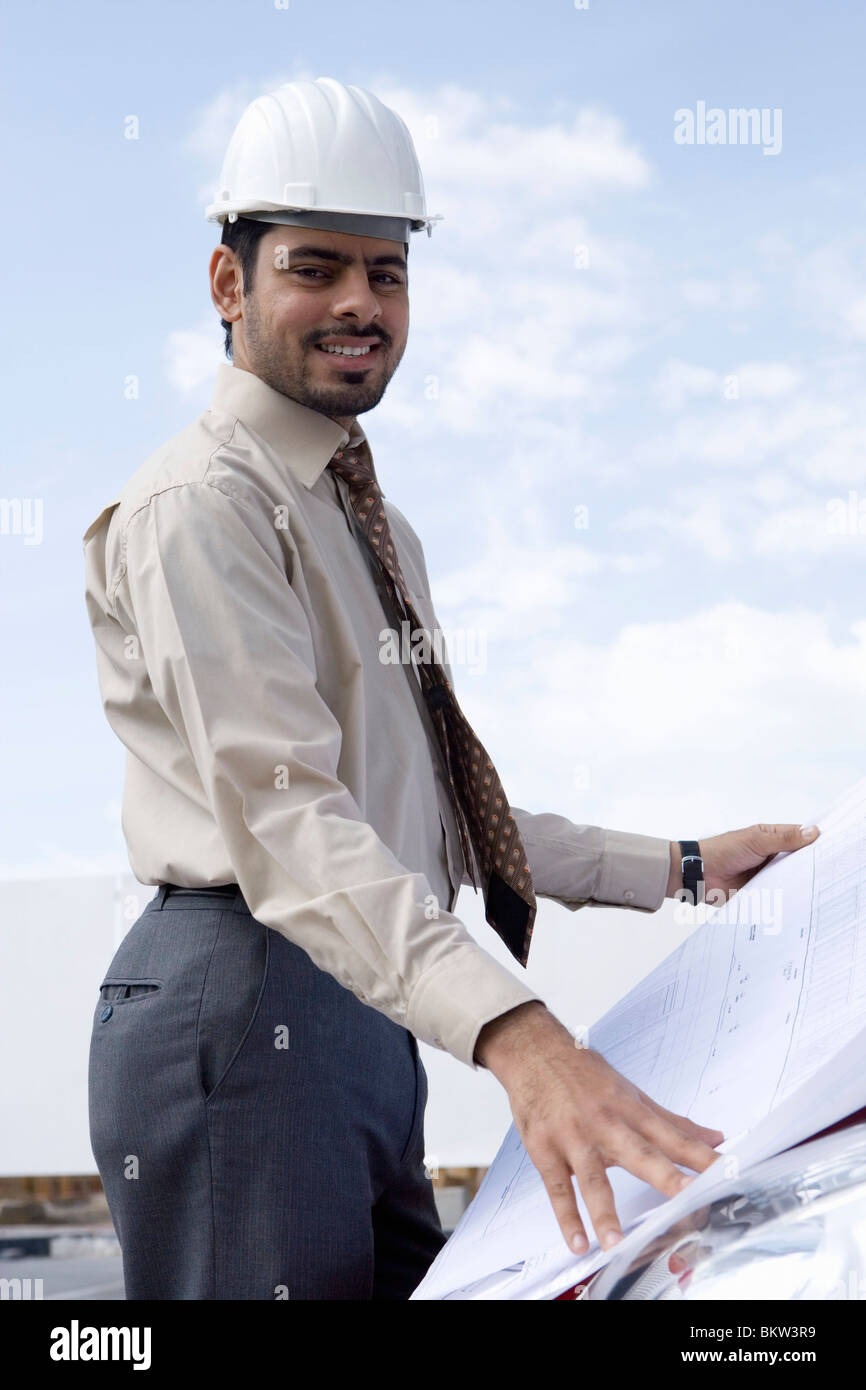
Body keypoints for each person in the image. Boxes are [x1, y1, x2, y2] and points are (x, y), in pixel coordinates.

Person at [82, 77, 820, 1300]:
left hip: (370, 996)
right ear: (229, 286)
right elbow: (288, 820)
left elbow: (429, 808)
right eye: (315, 267)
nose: (359, 304)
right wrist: (520, 1035)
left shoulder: (374, 526)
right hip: (243, 997)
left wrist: (684, 866)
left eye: (387, 272)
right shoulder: (199, 507)